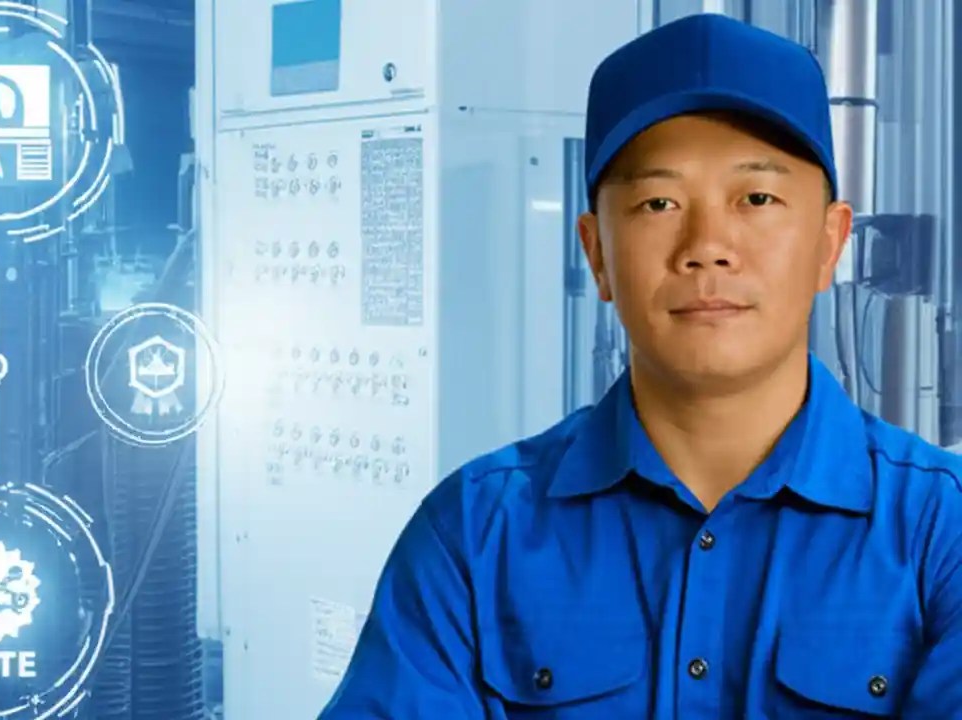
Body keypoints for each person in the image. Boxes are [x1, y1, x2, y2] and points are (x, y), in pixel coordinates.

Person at [318, 13, 962, 719]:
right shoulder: (472, 538)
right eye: (659, 202)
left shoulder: (942, 533)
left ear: (829, 243)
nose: (707, 246)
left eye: (757, 199)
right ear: (596, 254)